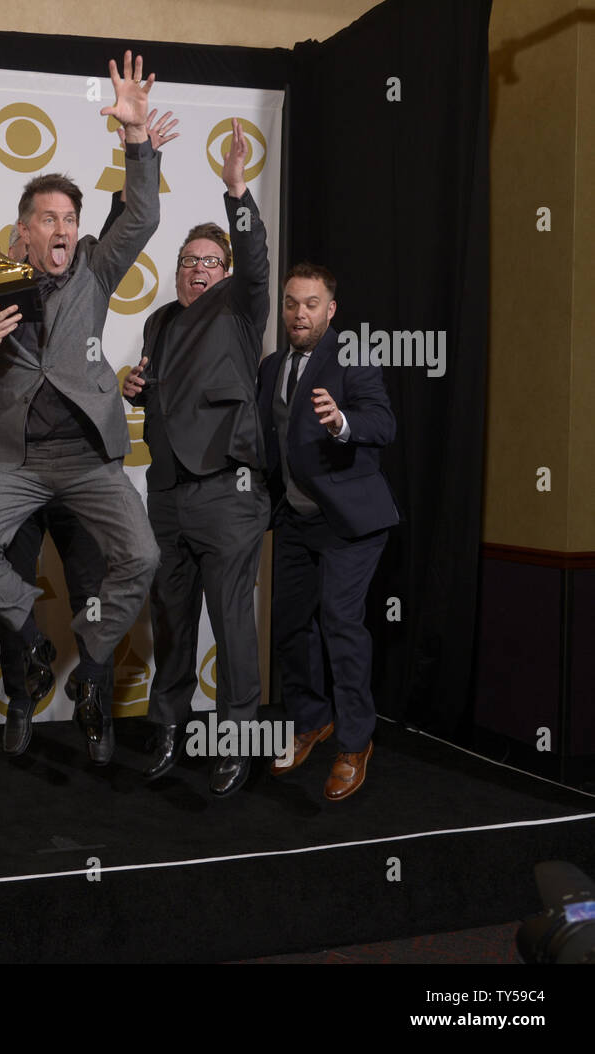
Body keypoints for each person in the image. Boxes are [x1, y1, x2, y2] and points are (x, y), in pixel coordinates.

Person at [0, 52, 165, 766]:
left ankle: (92, 675)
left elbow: (145, 214)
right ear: (23, 231)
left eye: (70, 218)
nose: (63, 228)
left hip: (89, 458)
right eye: (49, 218)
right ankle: (34, 647)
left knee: (141, 556)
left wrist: (135, 139)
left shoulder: (96, 269)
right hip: (18, 463)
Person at [121, 117, 270, 796]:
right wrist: (134, 388)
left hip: (229, 491)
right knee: (171, 619)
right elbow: (161, 390)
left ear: (226, 272)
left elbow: (255, 257)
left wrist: (236, 192)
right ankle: (169, 729)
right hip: (168, 494)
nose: (197, 271)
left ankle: (238, 741)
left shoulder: (241, 305)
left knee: (232, 623)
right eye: (189, 262)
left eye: (210, 261)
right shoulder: (158, 320)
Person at [258, 263, 398, 800]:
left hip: (351, 522)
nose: (299, 313)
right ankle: (312, 719)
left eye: (311, 304)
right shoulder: (272, 366)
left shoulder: (353, 357)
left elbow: (383, 424)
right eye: (292, 303)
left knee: (340, 623)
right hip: (296, 519)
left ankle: (355, 741)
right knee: (291, 625)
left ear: (330, 310)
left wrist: (342, 423)